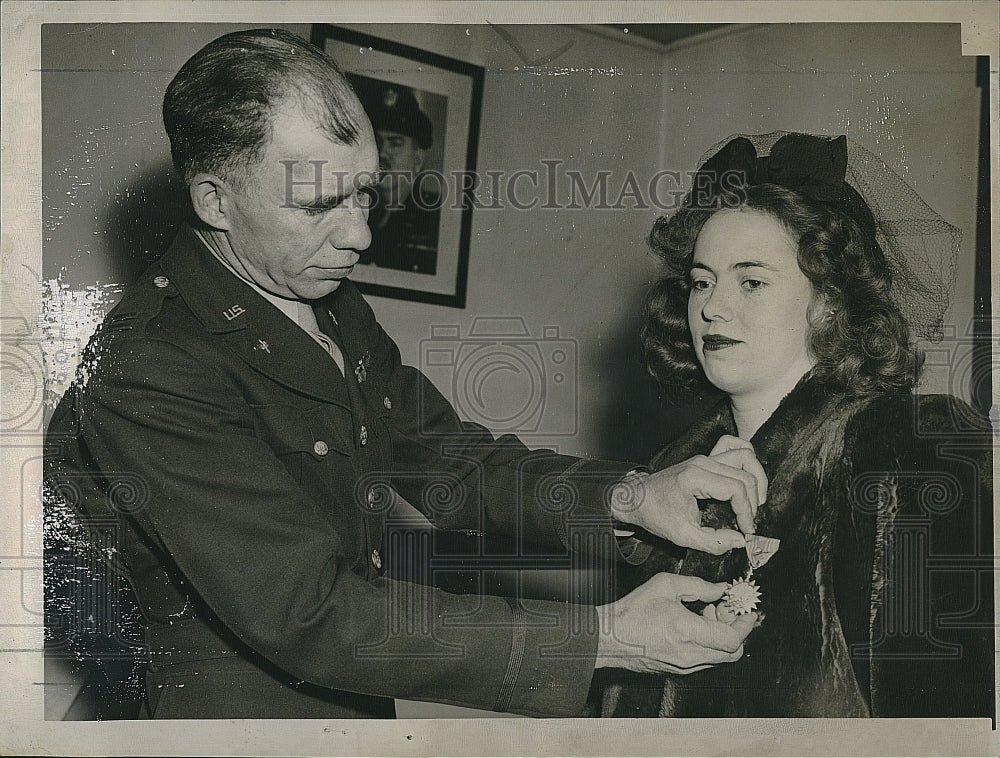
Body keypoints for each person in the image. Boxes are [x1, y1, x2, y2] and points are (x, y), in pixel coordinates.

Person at [44, 29, 764, 720]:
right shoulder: (149, 365)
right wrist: (609, 637)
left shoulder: (326, 302)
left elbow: (451, 461)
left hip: (356, 706)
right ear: (214, 201)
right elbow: (311, 613)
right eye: (320, 204)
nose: (359, 233)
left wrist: (633, 499)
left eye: (364, 192)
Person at [601, 132, 994, 718]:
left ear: (830, 300)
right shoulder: (672, 472)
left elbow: (941, 711)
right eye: (701, 281)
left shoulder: (903, 445)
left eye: (751, 280)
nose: (712, 306)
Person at [351, 77, 440, 274]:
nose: (382, 153)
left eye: (395, 143)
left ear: (417, 159)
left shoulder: (435, 219)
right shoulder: (351, 209)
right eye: (378, 142)